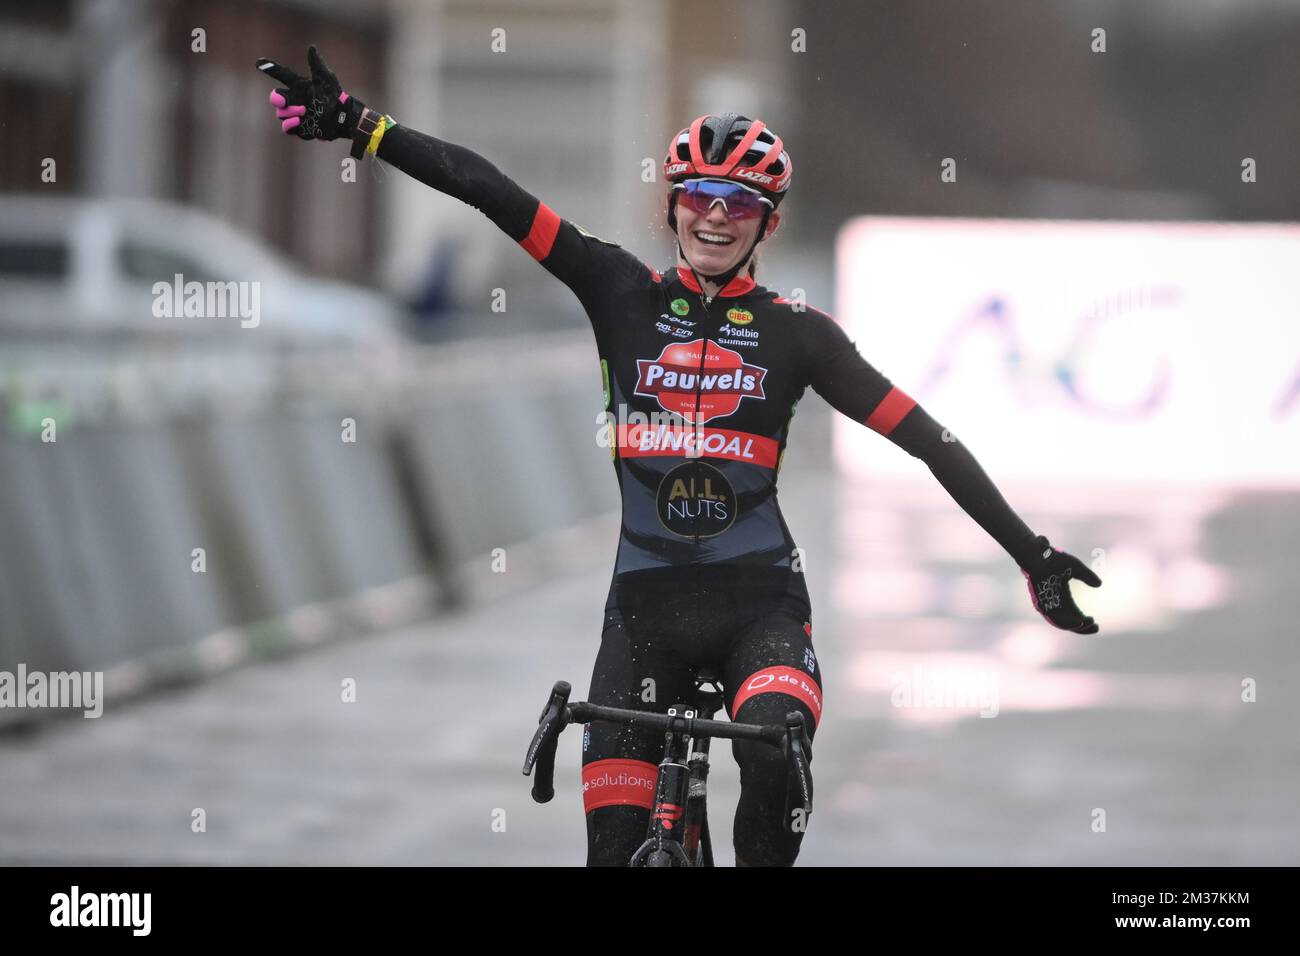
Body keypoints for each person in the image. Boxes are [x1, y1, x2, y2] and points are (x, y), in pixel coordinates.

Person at [256, 47, 1103, 866]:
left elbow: (929, 440)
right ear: (672, 206)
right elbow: (492, 192)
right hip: (644, 617)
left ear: (767, 222)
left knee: (771, 754)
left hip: (759, 609)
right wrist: (364, 127)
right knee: (614, 851)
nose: (715, 216)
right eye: (699, 194)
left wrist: (1032, 555)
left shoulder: (799, 334)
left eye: (740, 203)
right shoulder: (618, 289)